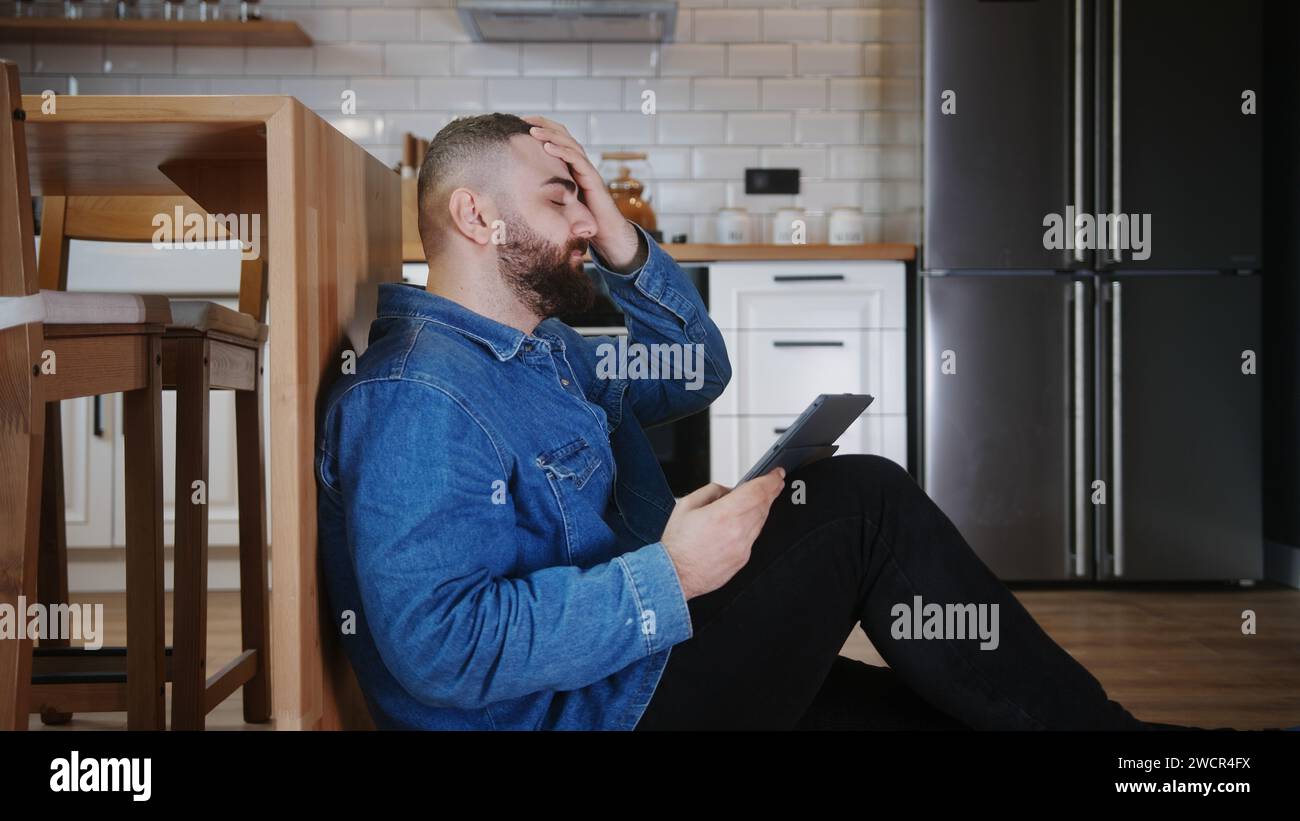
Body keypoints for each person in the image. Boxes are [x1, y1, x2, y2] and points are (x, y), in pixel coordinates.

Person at [315, 112, 1181, 731]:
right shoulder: (421, 393)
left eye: (584, 202)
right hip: (594, 709)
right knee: (862, 499)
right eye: (561, 199)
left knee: (946, 707)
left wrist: (621, 236)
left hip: (636, 669)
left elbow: (697, 368)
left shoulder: (543, 354)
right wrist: (671, 573)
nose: (583, 220)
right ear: (476, 216)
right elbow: (440, 648)